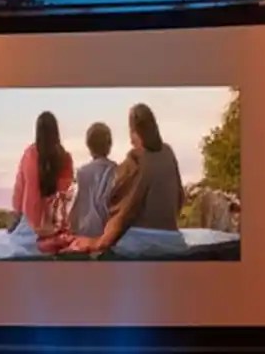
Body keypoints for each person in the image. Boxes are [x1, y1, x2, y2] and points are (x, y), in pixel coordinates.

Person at [69, 103, 187, 255]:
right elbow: (179, 197)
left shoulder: (136, 160)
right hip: (174, 240)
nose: (131, 140)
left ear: (138, 132)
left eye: (132, 132)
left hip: (142, 243)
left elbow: (124, 214)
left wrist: (97, 242)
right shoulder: (168, 152)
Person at [10, 111, 74, 247]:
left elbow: (19, 189)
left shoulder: (29, 154)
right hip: (55, 227)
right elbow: (67, 196)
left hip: (30, 226)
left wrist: (16, 216)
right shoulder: (65, 158)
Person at [69, 122, 118, 238]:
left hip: (83, 235)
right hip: (108, 234)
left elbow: (74, 210)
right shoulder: (117, 171)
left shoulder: (80, 173)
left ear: (88, 146)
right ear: (109, 144)